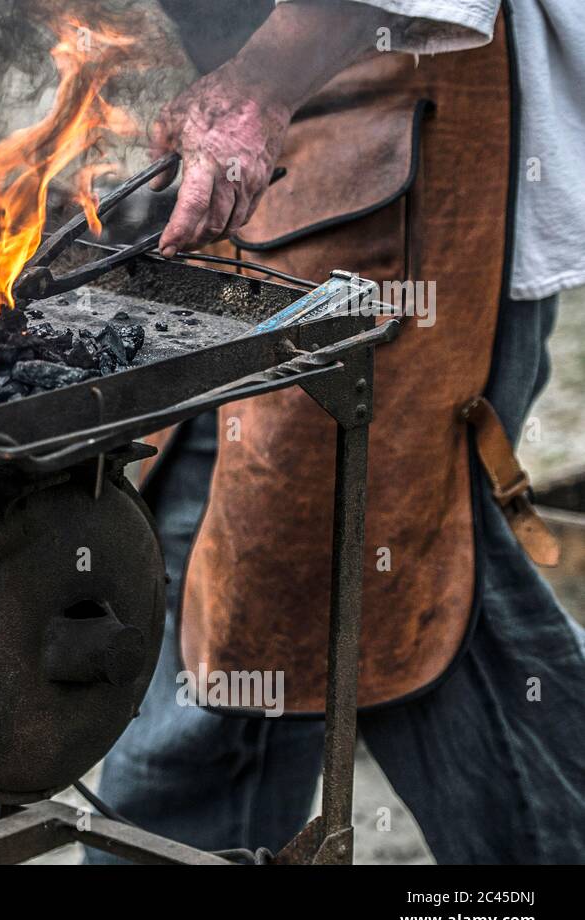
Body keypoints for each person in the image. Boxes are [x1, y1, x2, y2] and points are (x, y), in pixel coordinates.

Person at [92, 0, 585, 863]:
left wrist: (260, 88)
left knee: (383, 566)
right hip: (246, 123)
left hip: (397, 107)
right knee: (242, 568)